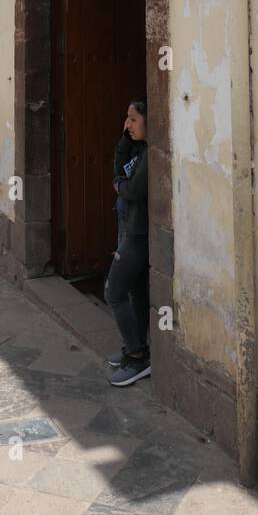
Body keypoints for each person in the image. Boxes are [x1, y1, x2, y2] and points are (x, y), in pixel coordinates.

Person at [105, 98, 151, 387]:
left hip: (138, 234)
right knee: (136, 293)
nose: (128, 124)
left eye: (133, 119)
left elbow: (133, 188)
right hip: (128, 226)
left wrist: (119, 186)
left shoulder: (151, 153)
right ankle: (136, 347)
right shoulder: (137, 148)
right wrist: (125, 138)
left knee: (113, 291)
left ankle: (137, 356)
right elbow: (119, 168)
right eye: (127, 119)